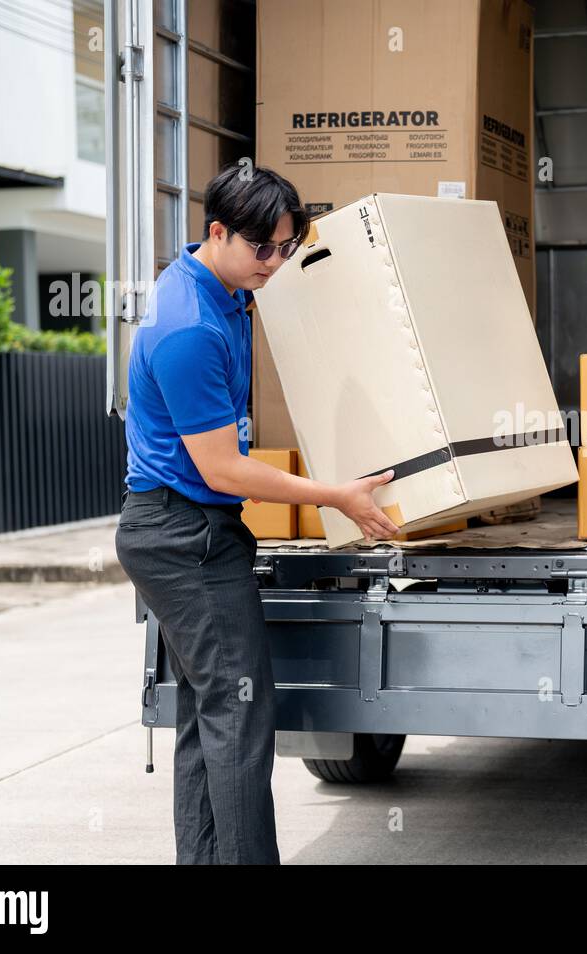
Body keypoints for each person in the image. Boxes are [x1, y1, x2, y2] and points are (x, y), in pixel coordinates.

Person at [115, 162, 398, 864]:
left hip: (188, 527)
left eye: (286, 246)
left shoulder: (223, 285)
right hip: (184, 537)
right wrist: (336, 494)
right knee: (240, 714)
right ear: (218, 232)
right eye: (264, 248)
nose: (276, 263)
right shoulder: (188, 327)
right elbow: (222, 469)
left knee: (206, 717)